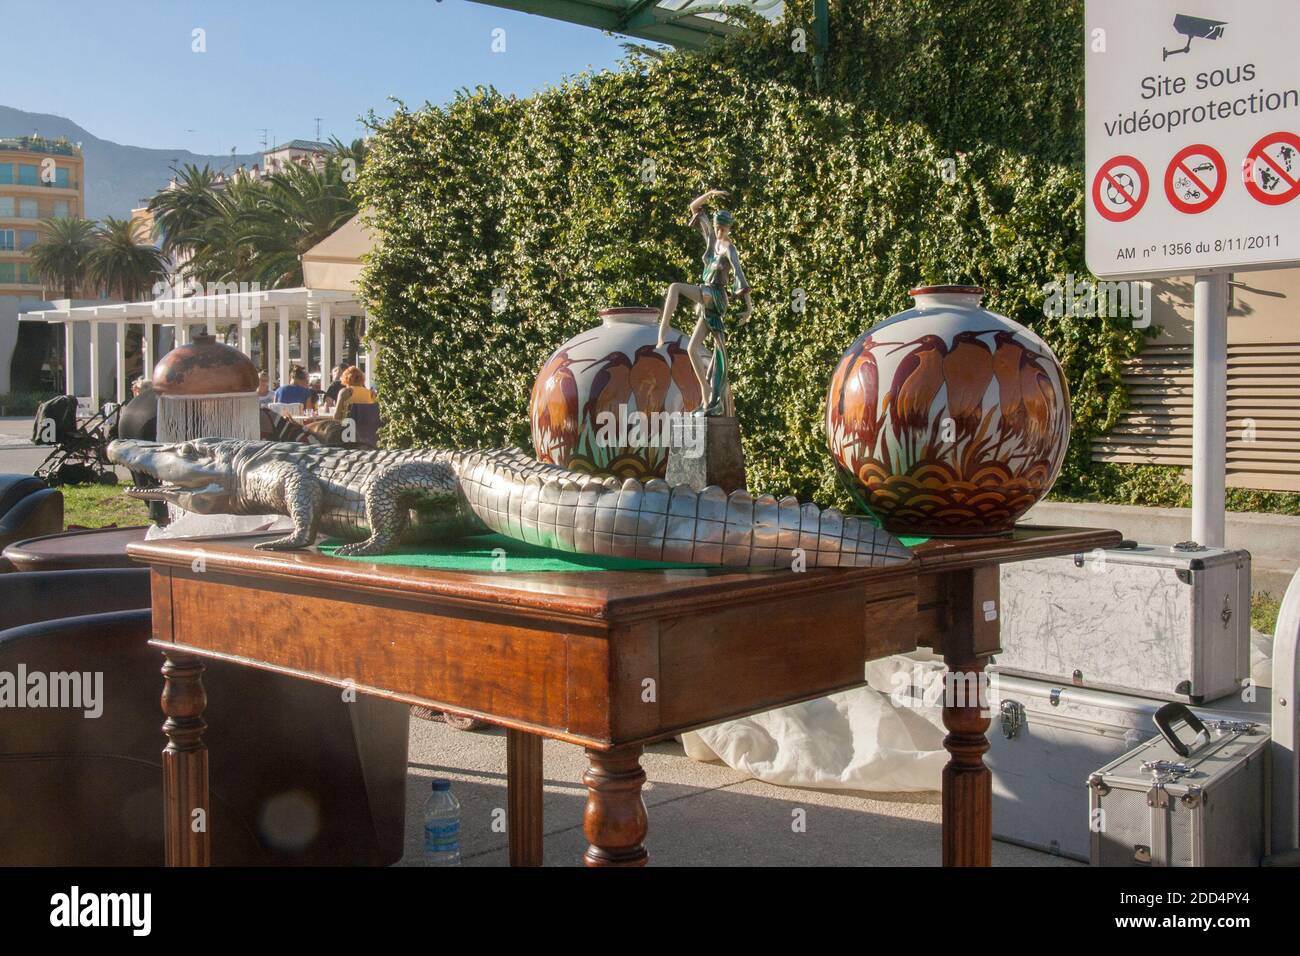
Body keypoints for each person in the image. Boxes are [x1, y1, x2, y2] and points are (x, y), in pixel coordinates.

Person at [655, 188, 753, 416]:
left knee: (675, 288)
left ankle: (664, 327)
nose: (719, 231)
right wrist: (710, 193)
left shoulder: (729, 248)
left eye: (723, 228)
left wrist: (748, 307)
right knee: (692, 349)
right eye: (717, 227)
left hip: (715, 296)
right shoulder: (712, 241)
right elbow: (694, 208)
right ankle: (707, 393)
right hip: (706, 295)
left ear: (729, 228)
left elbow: (740, 275)